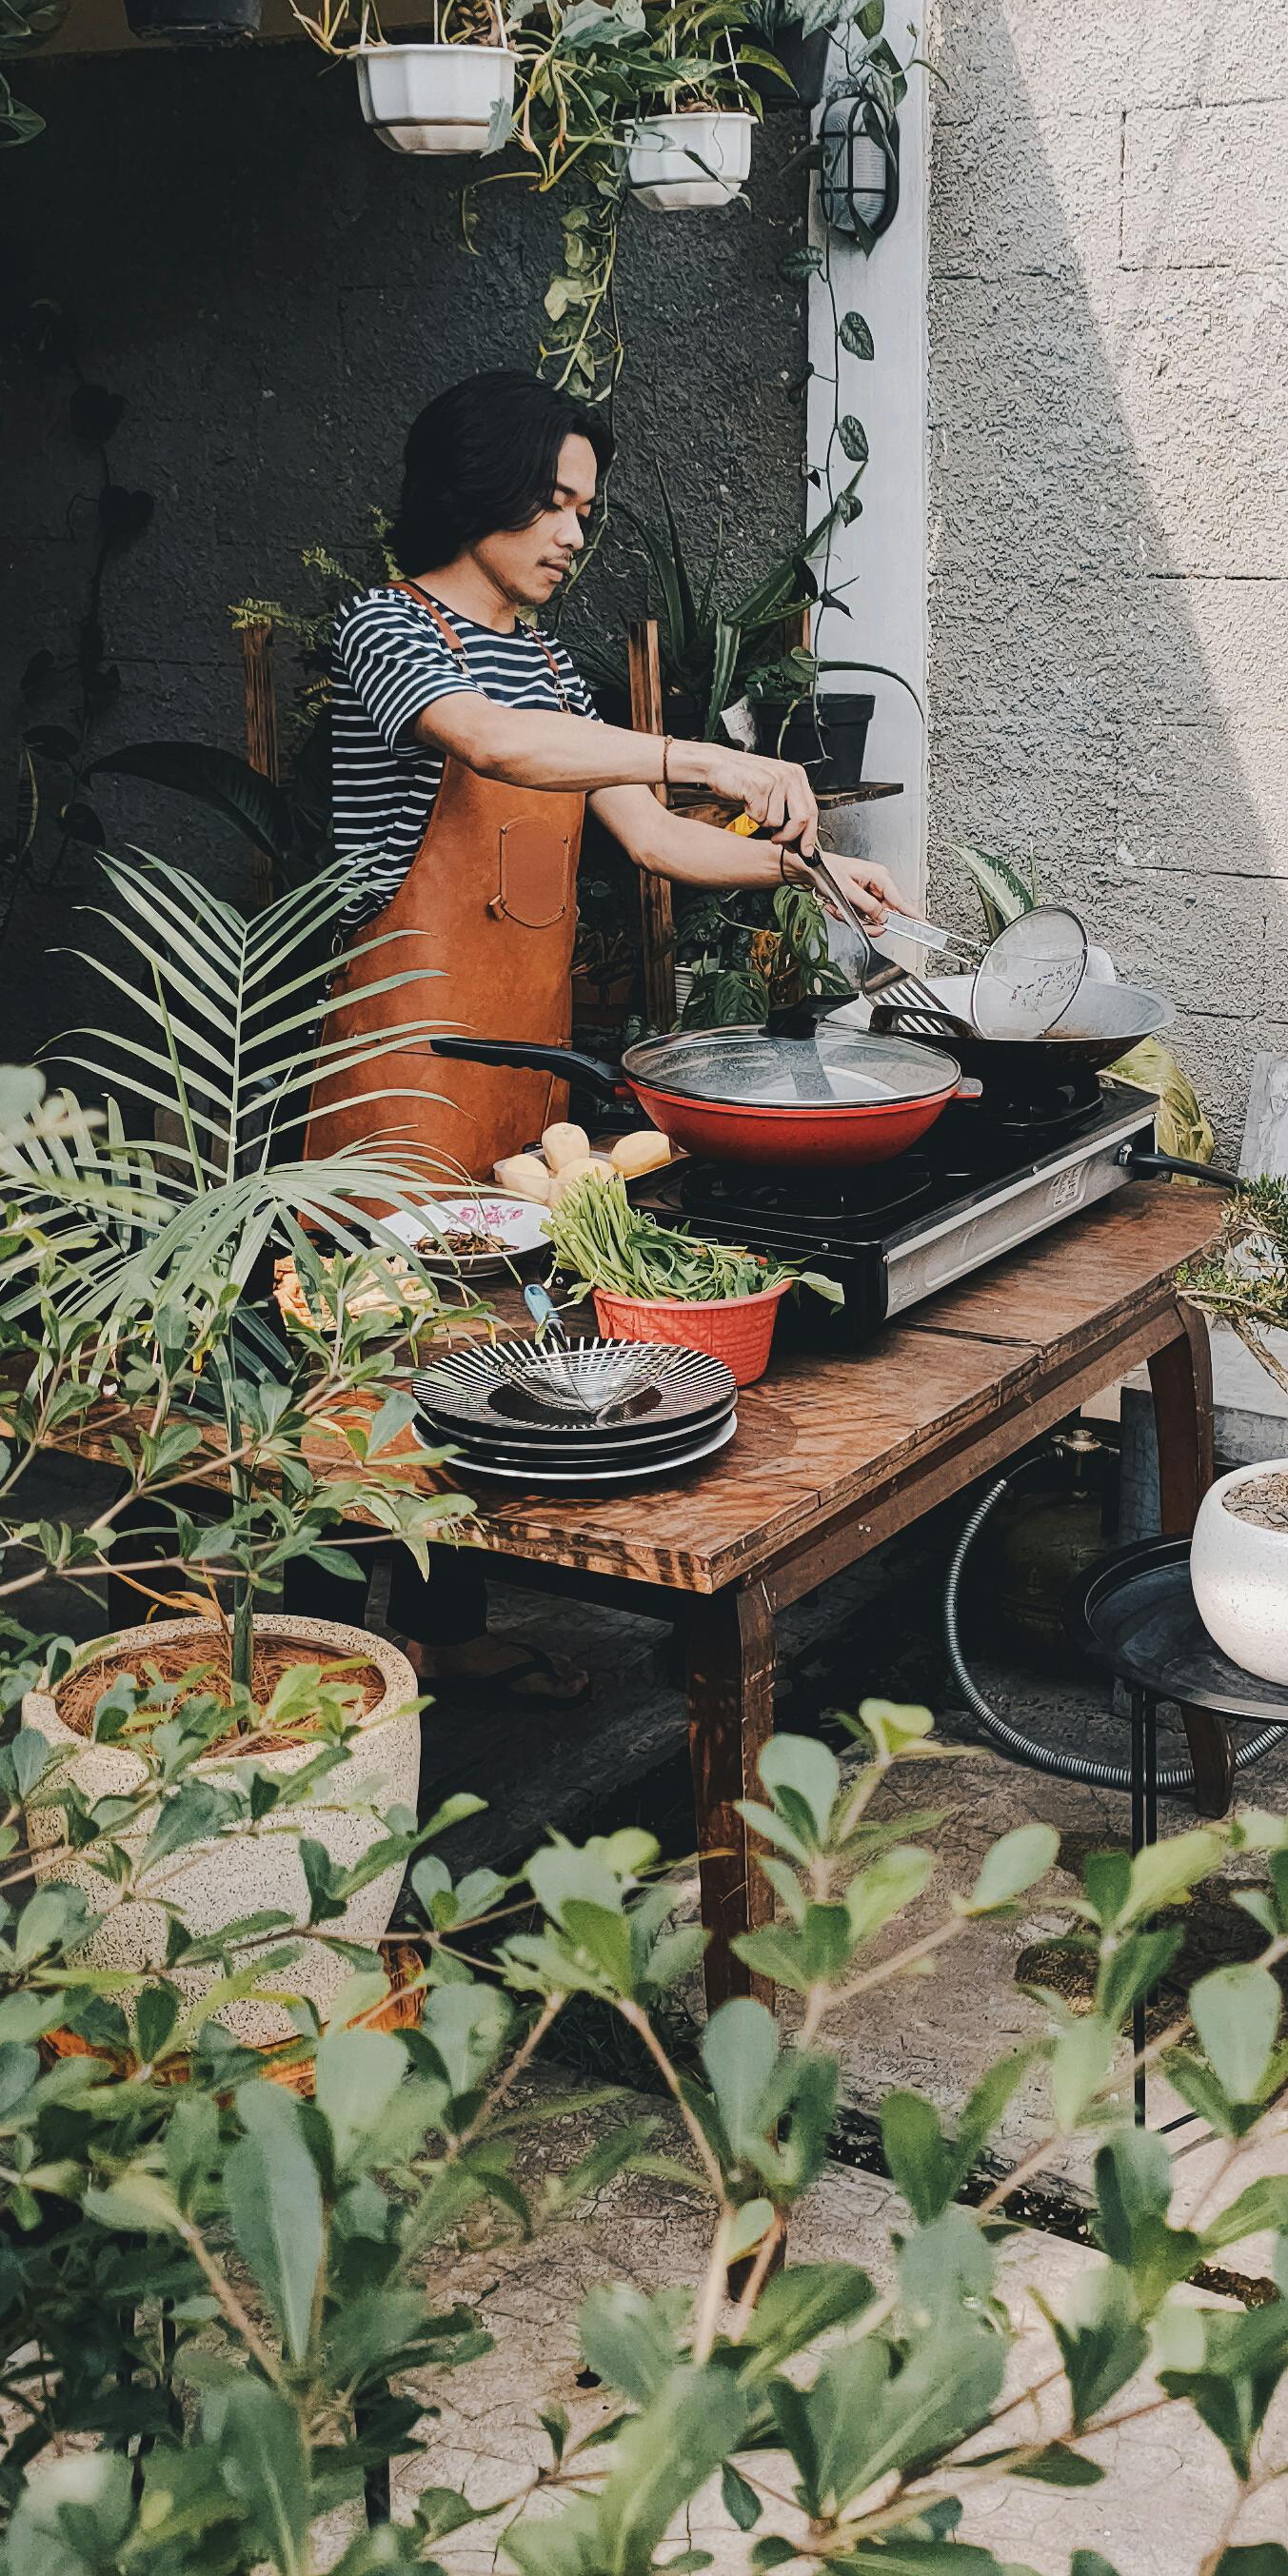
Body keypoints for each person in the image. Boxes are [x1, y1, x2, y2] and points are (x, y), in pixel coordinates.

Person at [314, 368, 910, 1705]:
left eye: (586, 508)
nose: (574, 534)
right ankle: (326, 1649)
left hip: (522, 1057)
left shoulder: (540, 662)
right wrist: (704, 752)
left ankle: (442, 1629)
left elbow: (648, 836)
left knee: (488, 1342)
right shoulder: (383, 628)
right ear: (477, 492)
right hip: (395, 1057)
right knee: (365, 1342)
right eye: (552, 502)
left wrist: (813, 874)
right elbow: (496, 749)